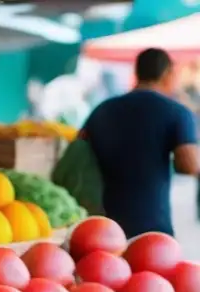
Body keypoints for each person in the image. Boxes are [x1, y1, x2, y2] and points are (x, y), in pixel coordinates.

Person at [81, 48, 200, 237]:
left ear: (137, 73)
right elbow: (189, 165)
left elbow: (78, 153)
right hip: (151, 229)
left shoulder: (102, 110)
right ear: (167, 74)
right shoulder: (177, 113)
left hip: (102, 229)